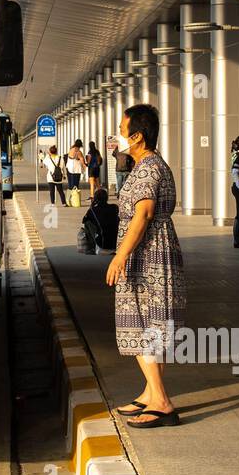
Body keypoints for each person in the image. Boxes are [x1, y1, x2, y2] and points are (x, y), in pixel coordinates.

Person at [104, 103, 186, 429]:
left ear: (138, 136)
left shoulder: (149, 168)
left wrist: (120, 255)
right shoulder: (149, 165)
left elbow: (144, 214)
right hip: (153, 253)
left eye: (123, 131)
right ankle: (150, 393)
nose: (118, 137)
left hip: (146, 257)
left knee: (143, 326)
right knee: (152, 326)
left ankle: (162, 401)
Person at [82, 187, 120, 252]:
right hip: (115, 243)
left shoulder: (93, 210)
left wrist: (92, 205)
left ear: (95, 199)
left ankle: (91, 247)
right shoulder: (114, 207)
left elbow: (84, 220)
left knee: (87, 223)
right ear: (107, 198)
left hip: (102, 243)